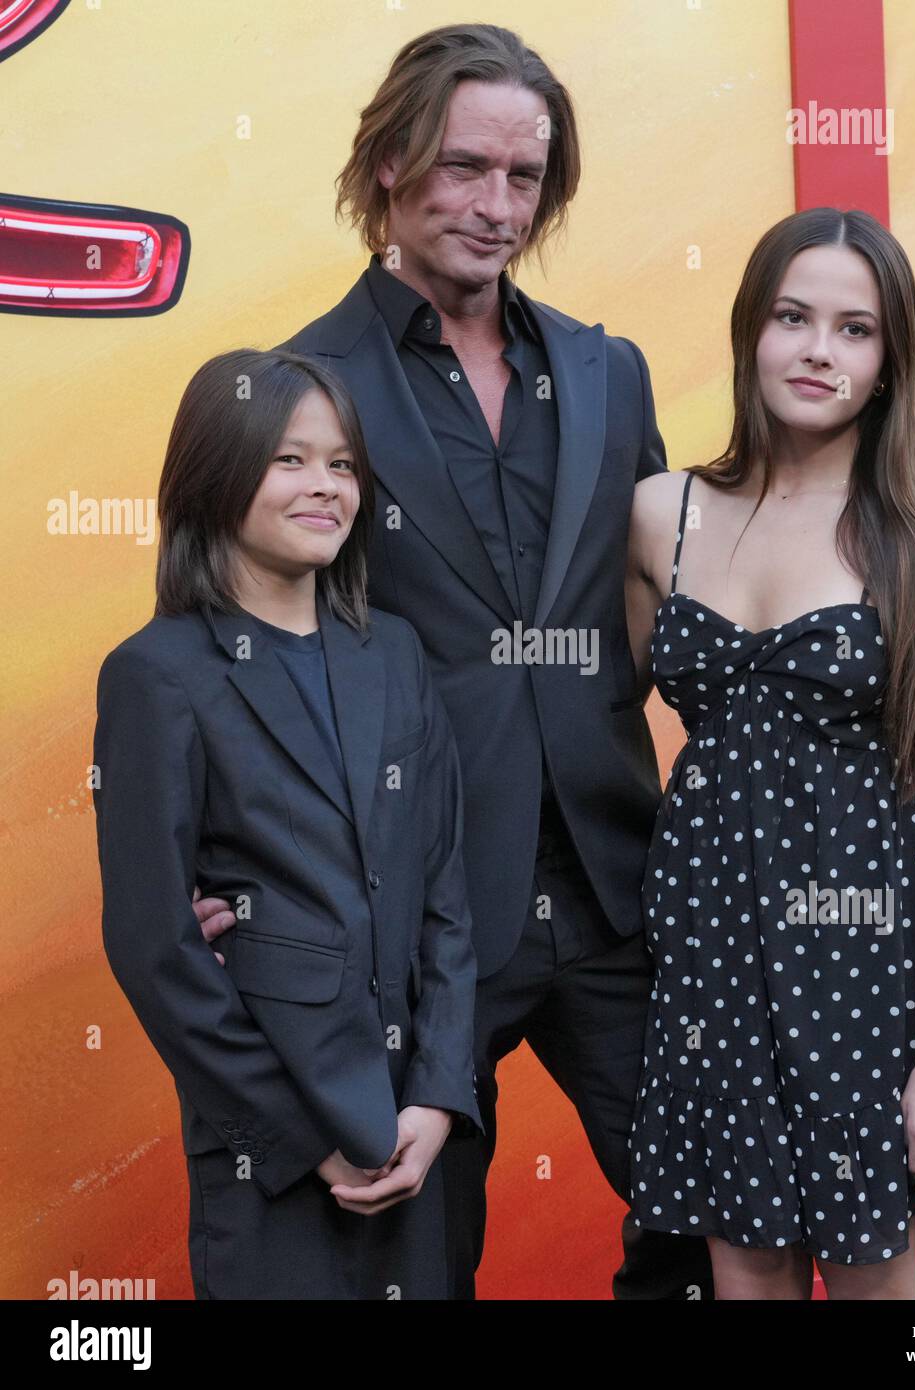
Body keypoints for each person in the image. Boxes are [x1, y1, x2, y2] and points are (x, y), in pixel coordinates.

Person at [192, 23, 714, 1299]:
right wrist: (216, 868)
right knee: (406, 1259)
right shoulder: (306, 389)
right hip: (406, 911)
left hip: (611, 889)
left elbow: (667, 600)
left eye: (522, 178)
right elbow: (233, 636)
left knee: (710, 1228)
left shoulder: (605, 370)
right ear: (387, 166)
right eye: (461, 166)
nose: (494, 207)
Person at [624, 207, 915, 1300]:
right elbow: (590, 721)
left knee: (870, 1279)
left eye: (853, 329)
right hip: (710, 960)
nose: (817, 349)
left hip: (865, 967)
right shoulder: (657, 516)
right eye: (791, 316)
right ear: (748, 331)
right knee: (744, 1271)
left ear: (887, 359)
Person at [93, 347, 481, 1299]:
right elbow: (156, 945)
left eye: (343, 464)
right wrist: (301, 1144)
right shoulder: (156, 675)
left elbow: (444, 894)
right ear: (217, 472)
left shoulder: (392, 652)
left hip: (414, 1133)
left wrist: (438, 1095)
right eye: (290, 460)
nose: (326, 487)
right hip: (268, 1148)